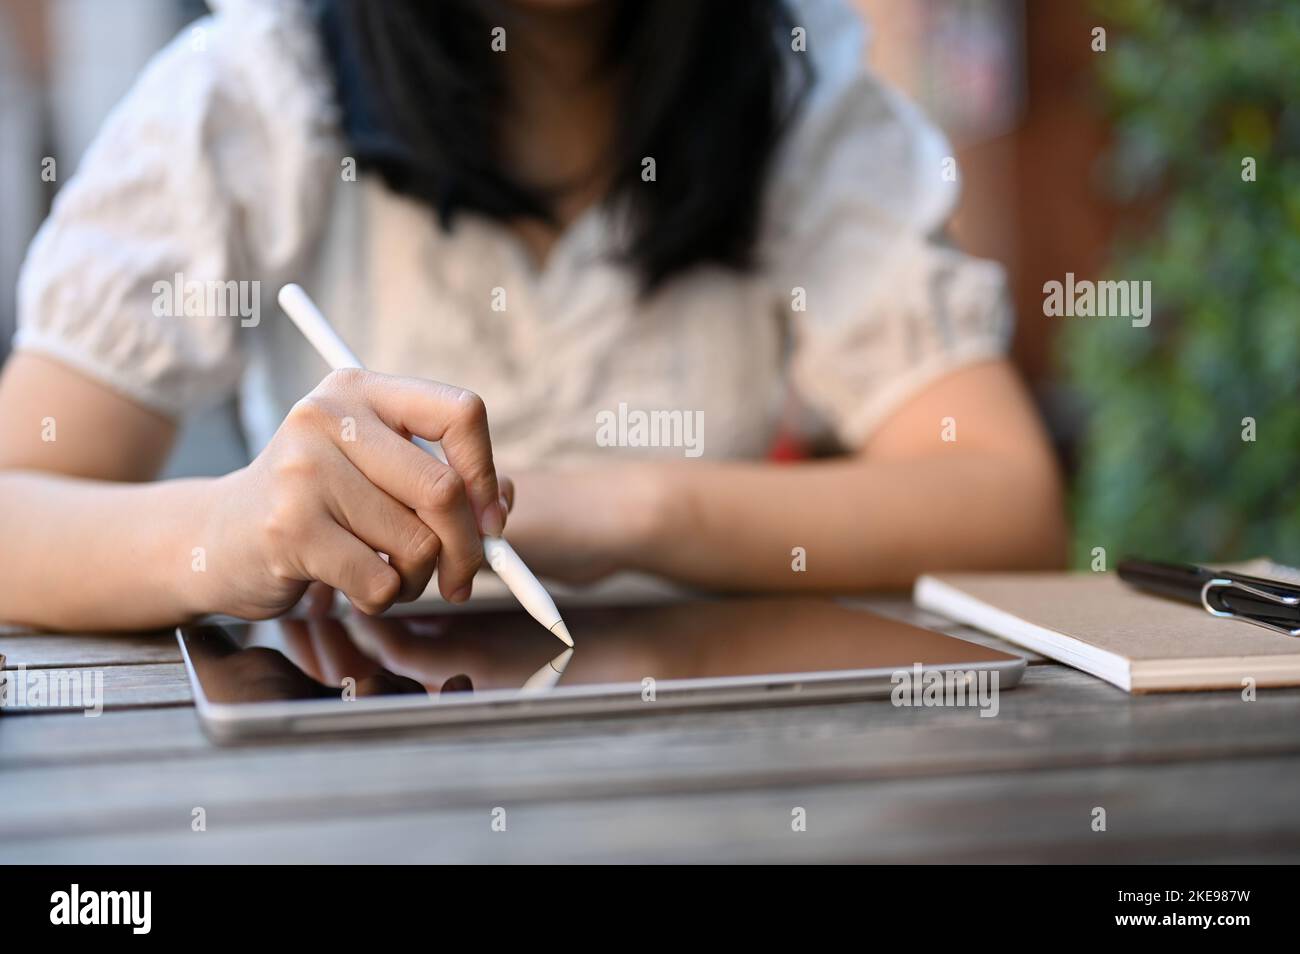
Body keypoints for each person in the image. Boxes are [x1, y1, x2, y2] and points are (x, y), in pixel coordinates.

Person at [0, 0, 1066, 632]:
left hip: (713, 775)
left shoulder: (789, 90)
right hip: (363, 785)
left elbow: (1005, 501)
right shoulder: (256, 90)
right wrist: (225, 532)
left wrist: (618, 511)